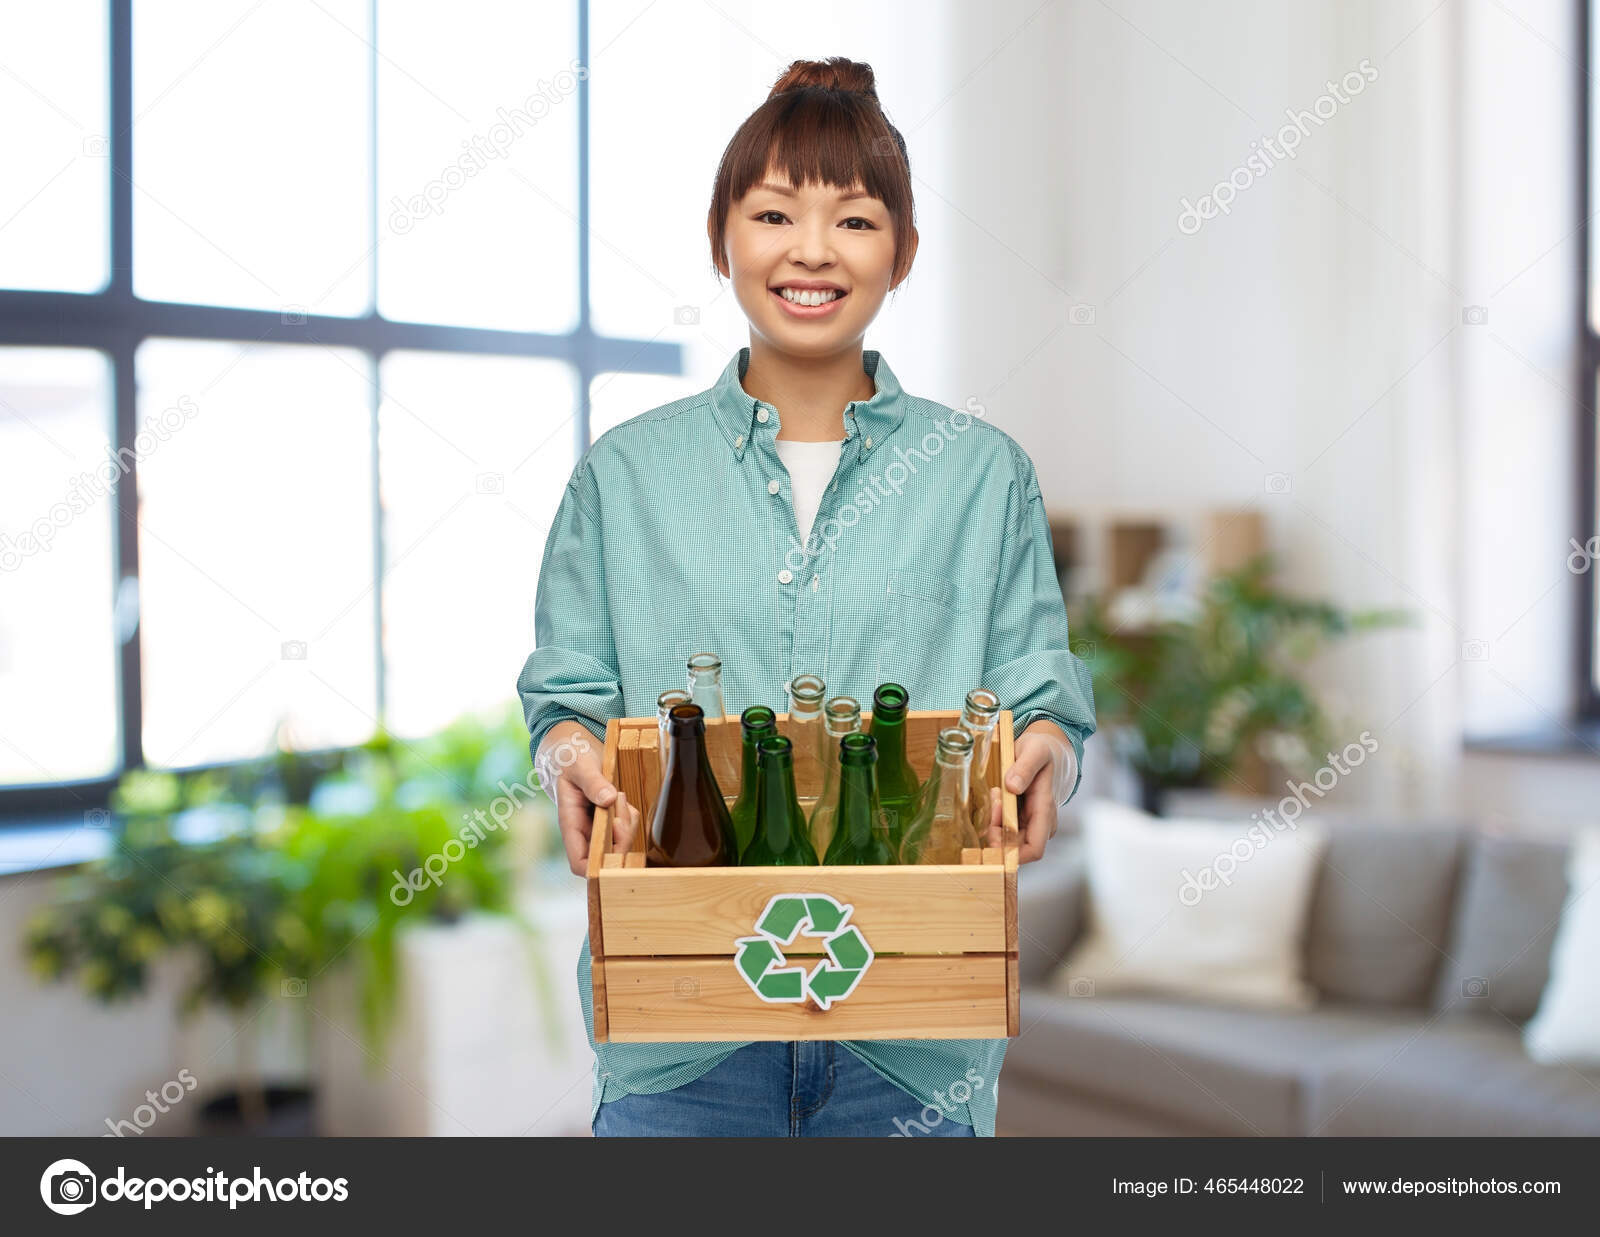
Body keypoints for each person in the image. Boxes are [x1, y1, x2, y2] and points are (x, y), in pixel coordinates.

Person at [517, 55, 1095, 1138]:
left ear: (904, 251)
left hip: (915, 1039)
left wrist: (1046, 753)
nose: (812, 251)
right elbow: (567, 695)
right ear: (721, 237)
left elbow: (1038, 685)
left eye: (857, 219)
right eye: (775, 212)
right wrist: (567, 757)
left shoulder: (984, 473)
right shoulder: (625, 473)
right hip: (681, 1033)